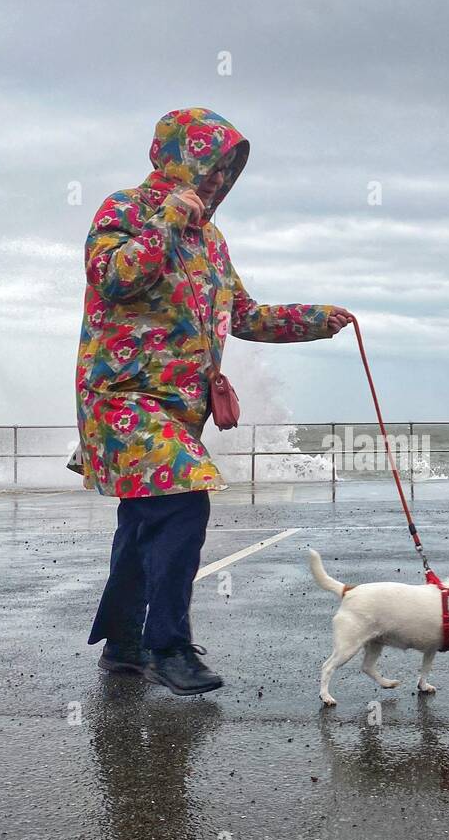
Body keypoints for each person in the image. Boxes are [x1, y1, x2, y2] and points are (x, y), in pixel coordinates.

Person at [74, 107, 352, 695]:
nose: (212, 180)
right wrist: (168, 221)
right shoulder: (125, 208)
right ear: (173, 157)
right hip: (122, 397)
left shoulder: (213, 240)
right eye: (205, 164)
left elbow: (243, 315)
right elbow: (114, 278)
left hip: (178, 409)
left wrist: (318, 319)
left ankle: (123, 645)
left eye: (222, 170)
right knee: (183, 500)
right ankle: (167, 645)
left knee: (145, 520)